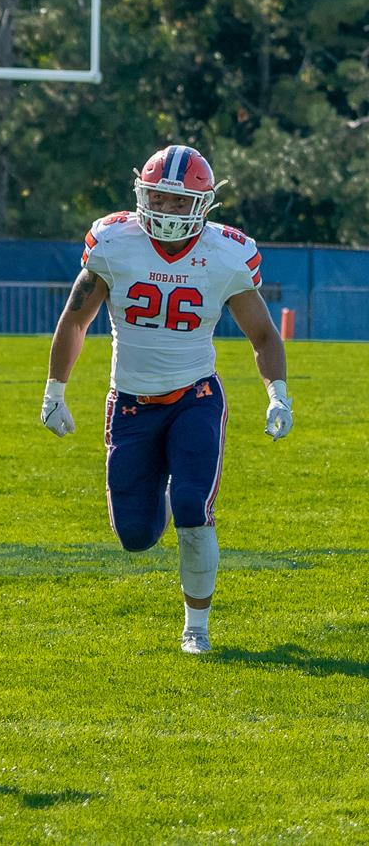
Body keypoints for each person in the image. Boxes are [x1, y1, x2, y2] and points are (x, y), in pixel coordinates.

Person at [43, 145, 292, 655]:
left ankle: (195, 628)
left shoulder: (226, 253)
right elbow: (75, 319)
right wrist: (55, 391)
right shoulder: (114, 241)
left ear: (203, 203)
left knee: (192, 508)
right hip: (131, 403)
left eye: (179, 202)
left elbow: (263, 335)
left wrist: (278, 396)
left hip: (196, 397)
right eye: (158, 197)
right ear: (141, 194)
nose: (167, 209)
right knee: (136, 534)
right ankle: (150, 486)